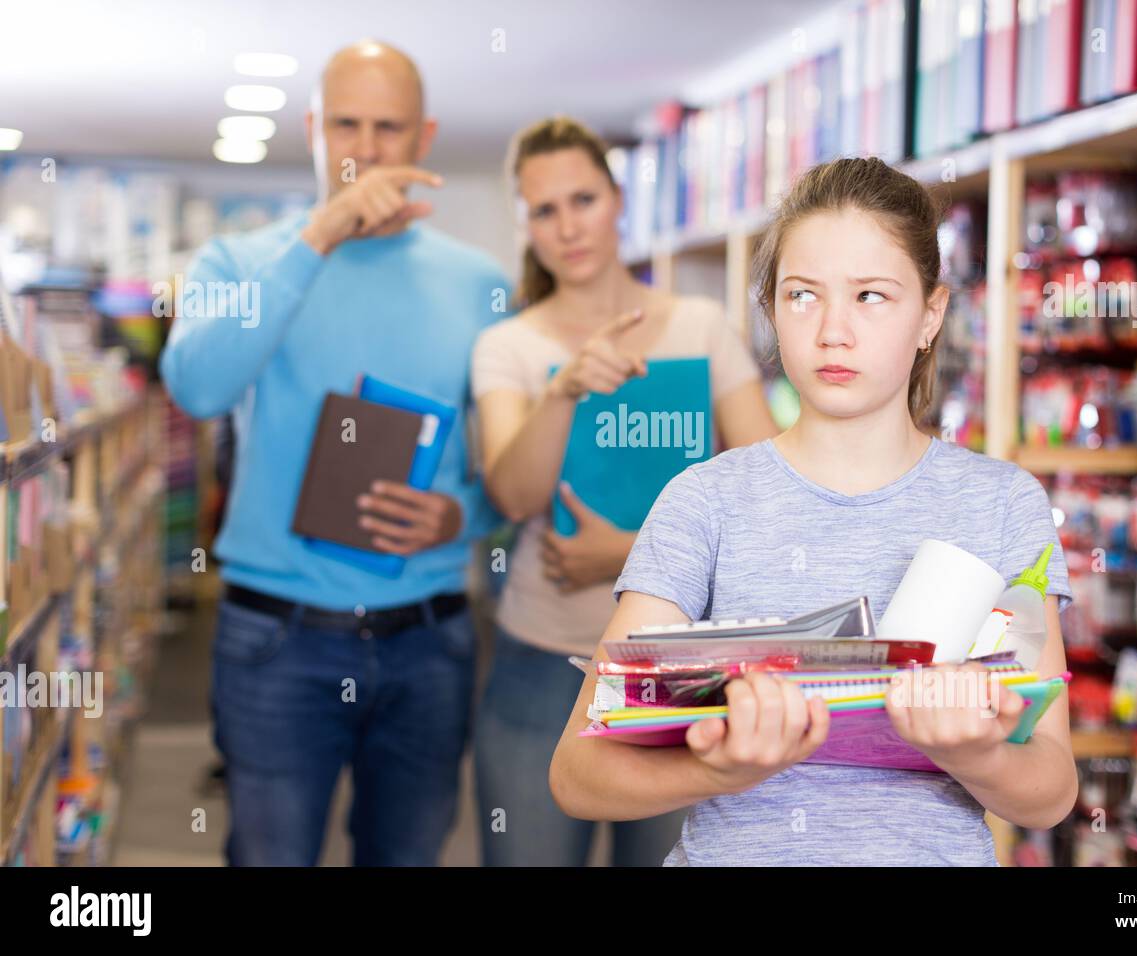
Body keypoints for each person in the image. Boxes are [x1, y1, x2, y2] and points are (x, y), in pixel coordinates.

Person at [549, 156, 1078, 866]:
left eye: (872, 296)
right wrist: (717, 770)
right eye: (803, 296)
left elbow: (1049, 793)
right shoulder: (704, 501)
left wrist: (975, 750)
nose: (834, 330)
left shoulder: (1001, 503)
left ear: (931, 314)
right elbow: (578, 775)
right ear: (770, 310)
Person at [159, 40, 509, 866]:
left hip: (430, 640)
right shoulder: (242, 261)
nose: (367, 147)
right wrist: (316, 238)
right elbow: (195, 387)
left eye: (388, 127)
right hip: (276, 640)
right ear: (313, 129)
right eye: (346, 123)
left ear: (423, 139)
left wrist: (465, 512)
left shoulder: (479, 282)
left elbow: (513, 462)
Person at [470, 116, 777, 865]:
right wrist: (565, 391)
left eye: (583, 200)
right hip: (542, 661)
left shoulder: (701, 327)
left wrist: (625, 555)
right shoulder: (507, 344)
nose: (568, 226)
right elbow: (512, 496)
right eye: (544, 210)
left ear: (617, 200)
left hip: (684, 666)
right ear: (525, 225)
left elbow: (772, 490)